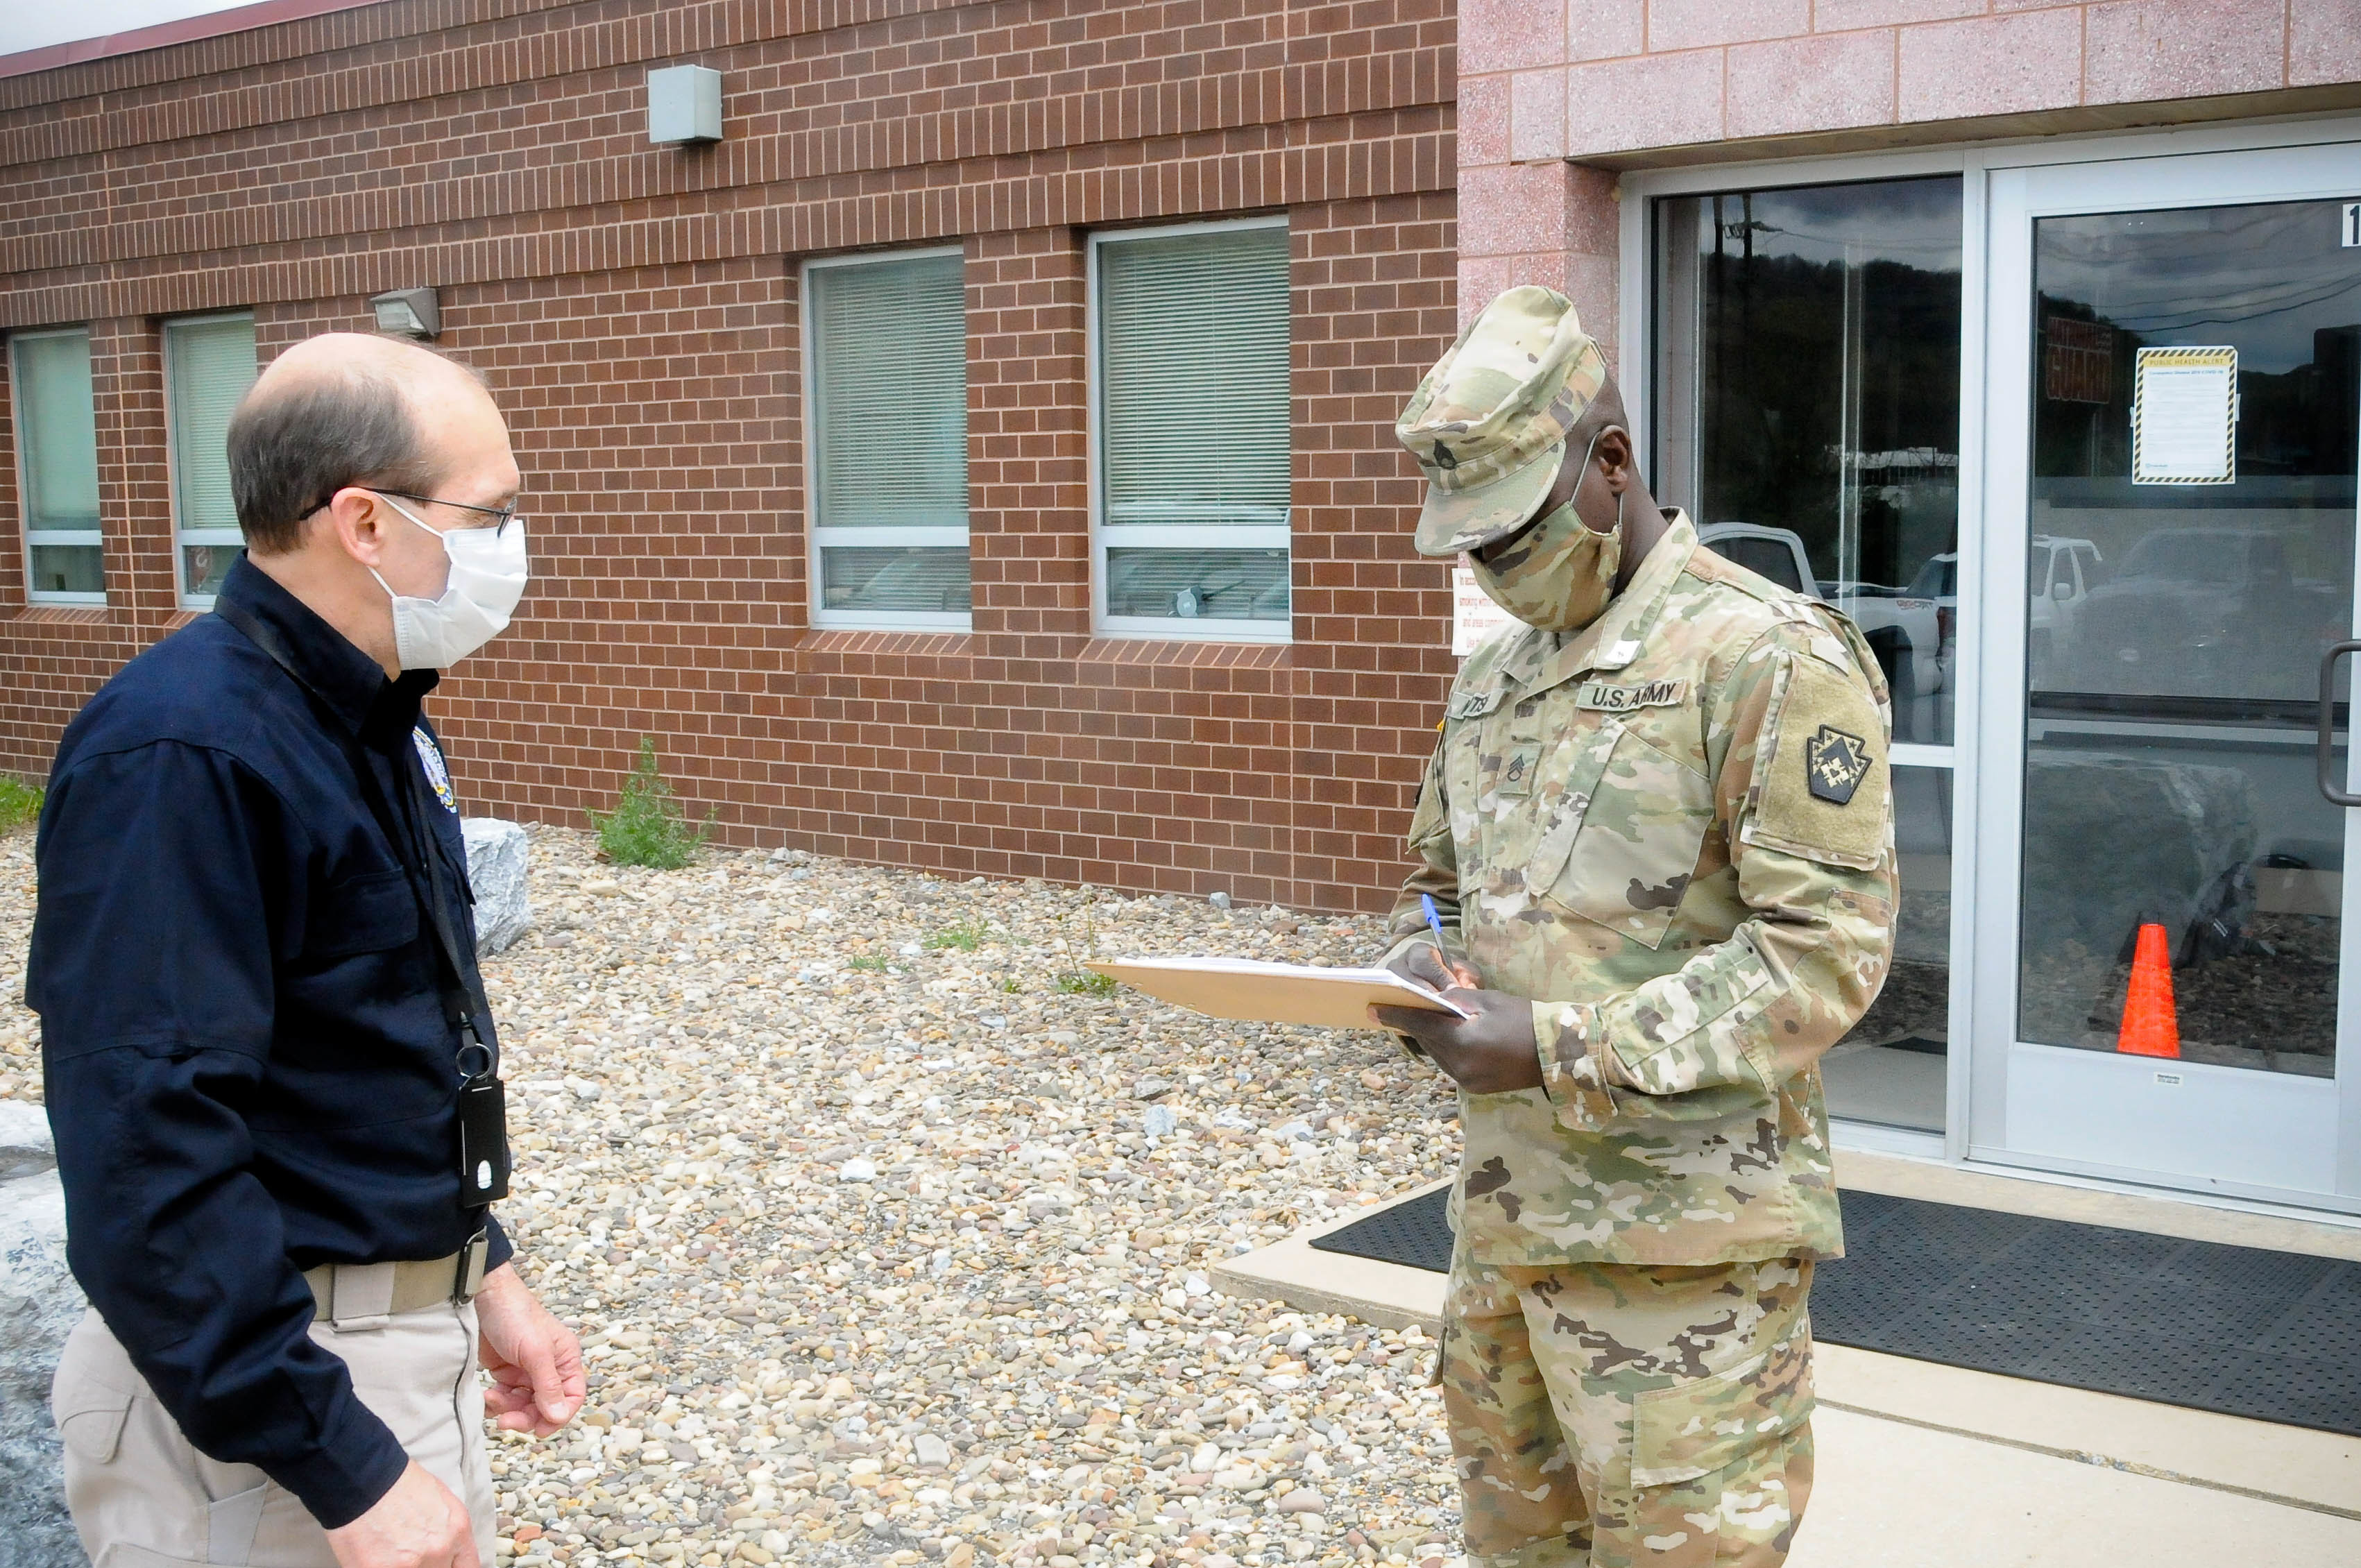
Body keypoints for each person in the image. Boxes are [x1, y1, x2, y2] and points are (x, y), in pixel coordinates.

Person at [29, 333, 581, 1568]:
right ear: (365, 523)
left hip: (379, 1357)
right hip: (282, 1417)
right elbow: (147, 1163)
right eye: (490, 512)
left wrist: (480, 1269)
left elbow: (371, 1053)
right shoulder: (185, 756)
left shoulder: (368, 717)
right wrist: (345, 1465)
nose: (511, 544)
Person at [1370, 287, 1897, 1568]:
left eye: (1514, 535)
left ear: (1611, 465)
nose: (1492, 571)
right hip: (1505, 1234)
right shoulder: (1493, 679)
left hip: (1684, 1274)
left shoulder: (1765, 657)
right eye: (1472, 549)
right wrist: (1412, 956)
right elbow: (1436, 878)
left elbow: (1820, 958)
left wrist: (1557, 1047)